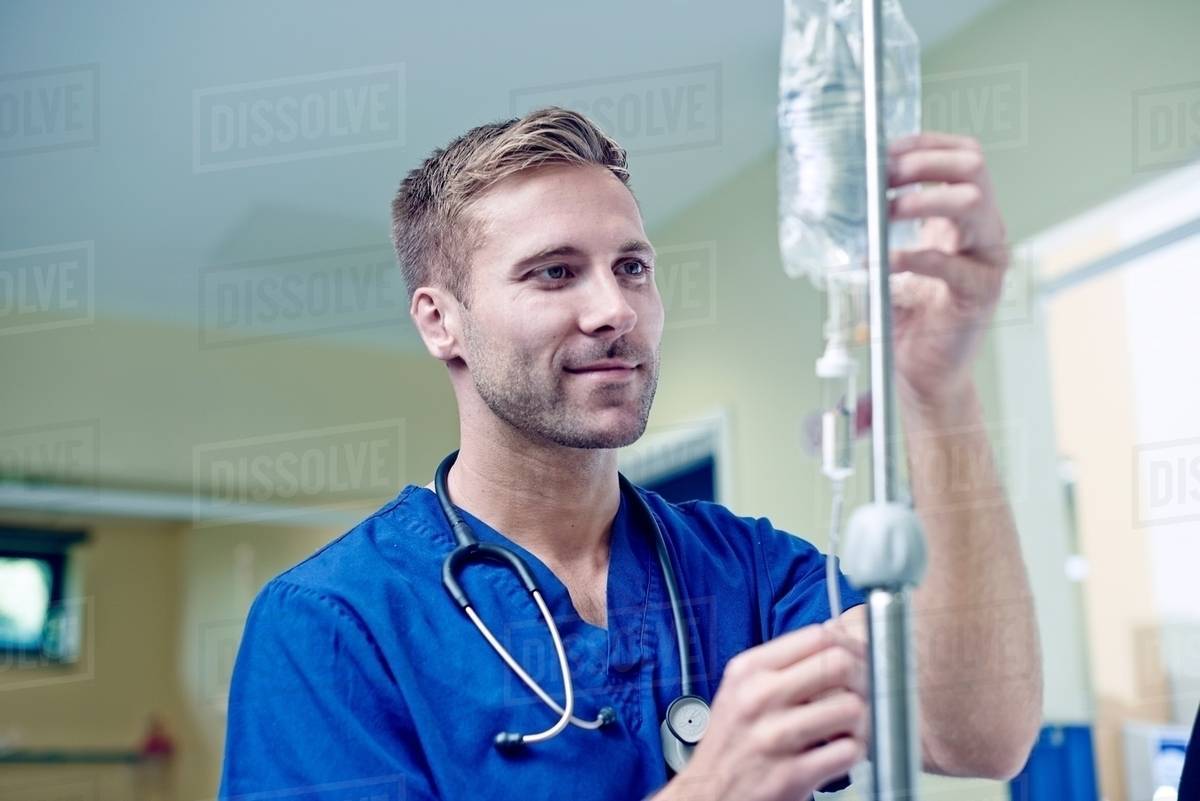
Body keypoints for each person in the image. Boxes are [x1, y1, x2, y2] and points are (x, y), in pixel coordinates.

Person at [219, 107, 1043, 801]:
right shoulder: (332, 624)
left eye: (633, 266)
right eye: (553, 273)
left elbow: (978, 730)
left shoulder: (746, 571)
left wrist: (939, 390)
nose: (614, 308)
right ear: (441, 321)